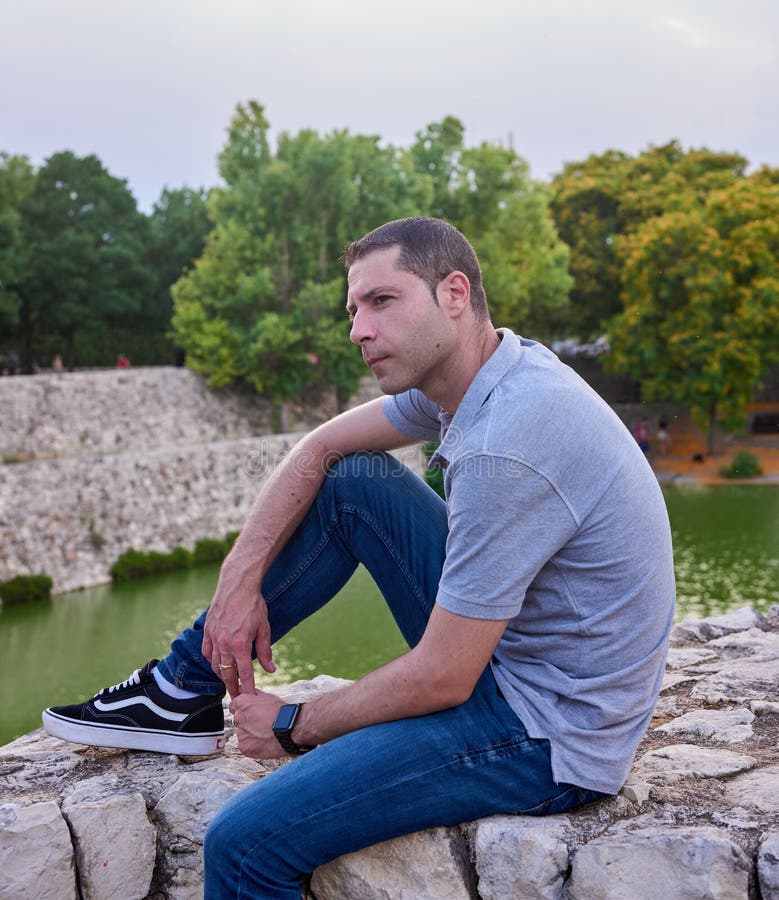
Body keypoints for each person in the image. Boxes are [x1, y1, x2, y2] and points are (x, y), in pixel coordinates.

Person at [42, 217, 675, 899]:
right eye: (353, 309)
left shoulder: (505, 444)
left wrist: (291, 724)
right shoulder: (490, 370)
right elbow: (318, 450)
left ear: (453, 294)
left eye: (382, 301)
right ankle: (177, 690)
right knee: (352, 483)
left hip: (546, 735)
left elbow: (441, 678)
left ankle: (185, 698)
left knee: (242, 845)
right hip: (510, 664)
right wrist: (237, 579)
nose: (357, 330)